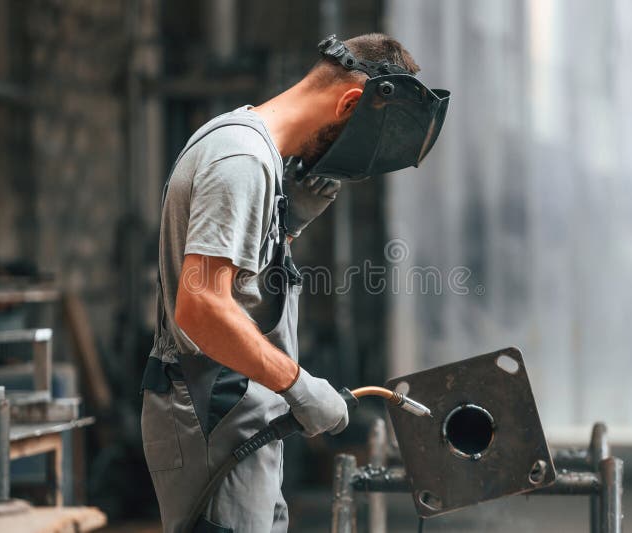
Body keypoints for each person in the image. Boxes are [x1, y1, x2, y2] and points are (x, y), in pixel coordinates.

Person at [140, 33, 447, 532]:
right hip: (215, 413)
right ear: (350, 101)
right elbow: (200, 306)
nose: (338, 161)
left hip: (237, 410)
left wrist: (285, 228)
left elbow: (238, 288)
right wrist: (299, 385)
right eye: (351, 141)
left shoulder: (246, 146)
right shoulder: (243, 161)